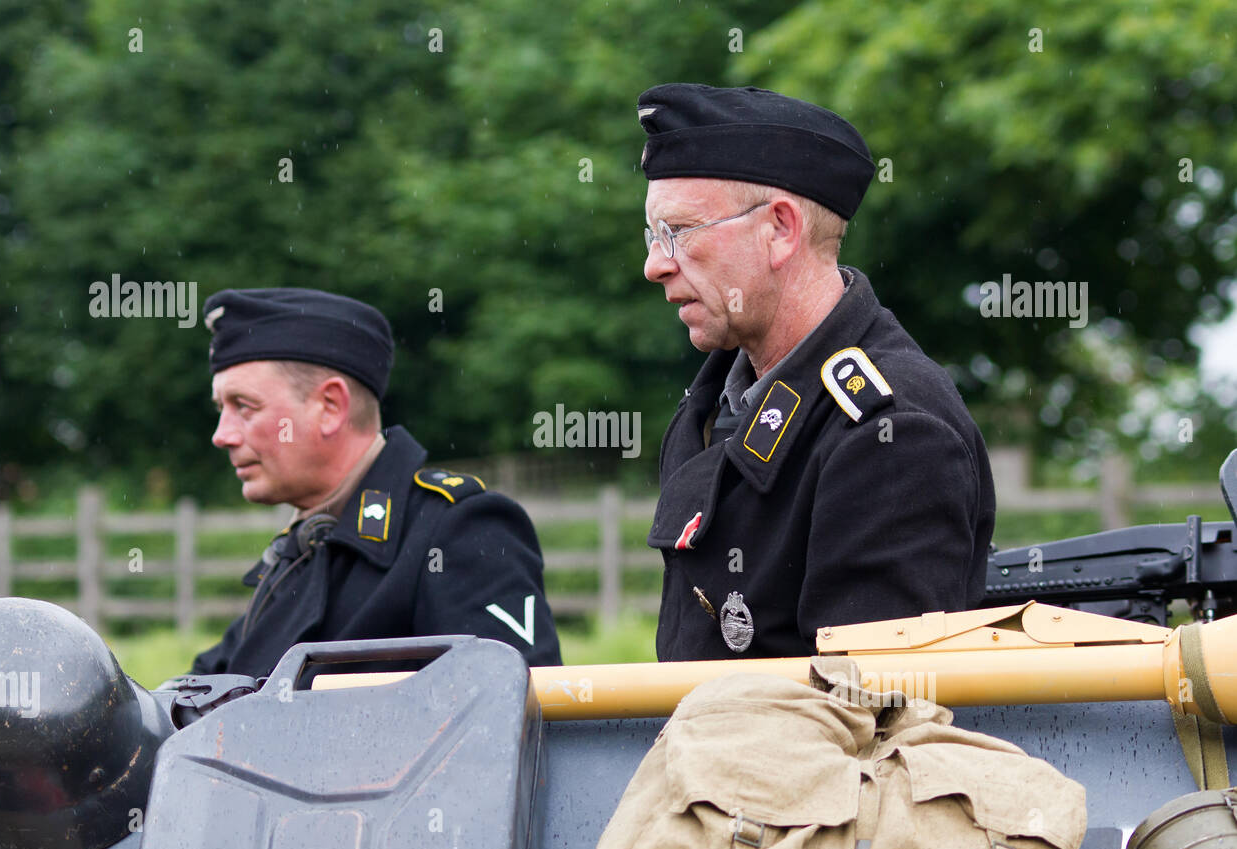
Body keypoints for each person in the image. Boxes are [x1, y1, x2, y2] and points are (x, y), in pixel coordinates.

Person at [637, 83, 996, 661]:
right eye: (653, 236)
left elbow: (866, 719)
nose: (656, 265)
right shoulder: (713, 409)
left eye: (679, 232)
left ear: (780, 228)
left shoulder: (892, 431)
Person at [190, 287, 562, 677]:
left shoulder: (459, 530)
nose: (222, 434)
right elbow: (214, 688)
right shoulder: (304, 547)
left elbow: (512, 715)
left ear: (330, 408)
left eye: (243, 407)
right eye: (221, 410)